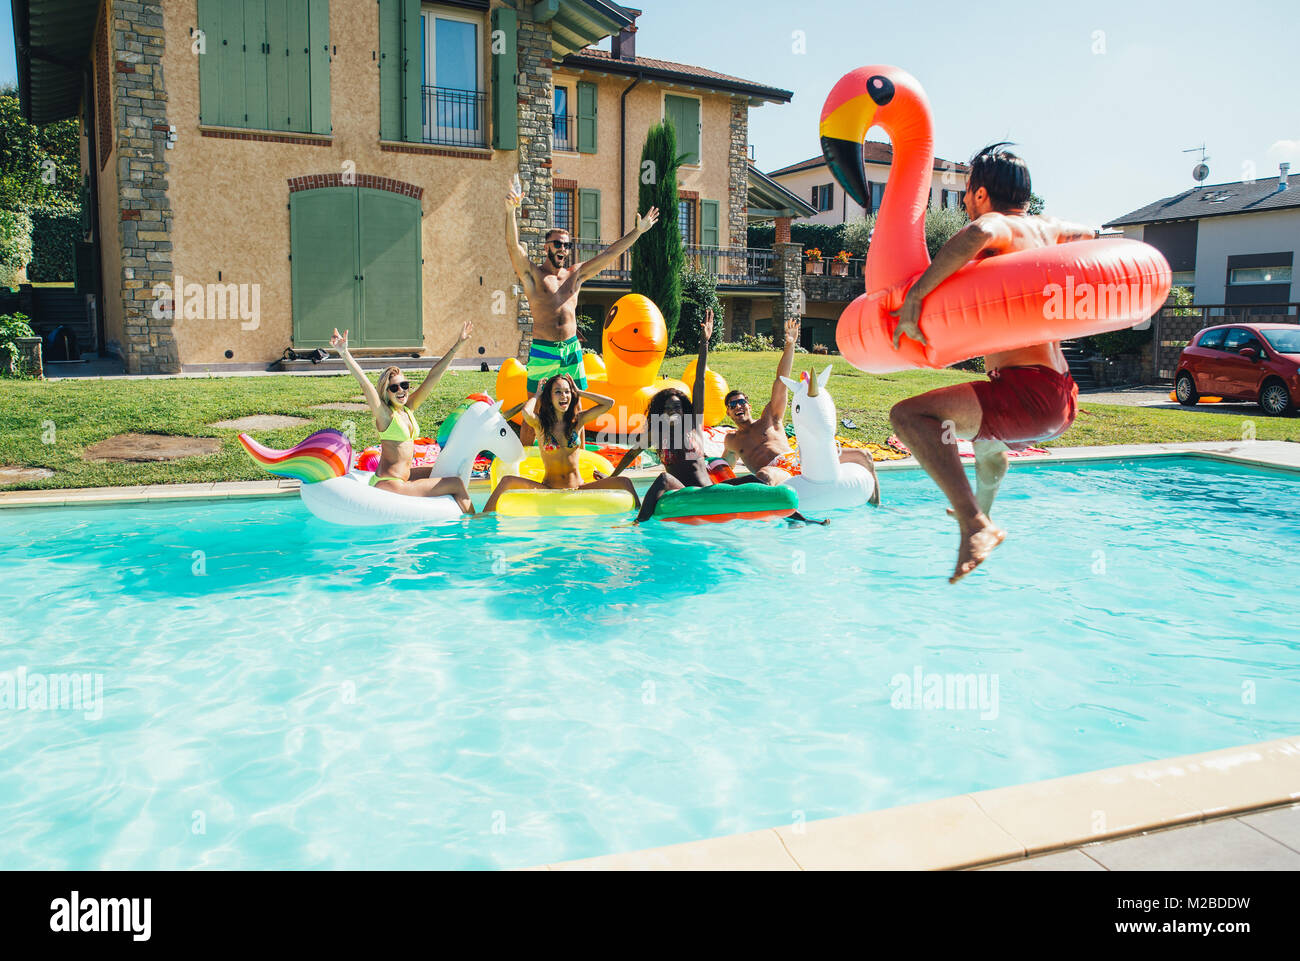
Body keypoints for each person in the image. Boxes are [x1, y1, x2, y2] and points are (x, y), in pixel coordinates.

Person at [887, 143, 1099, 583]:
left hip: (1026, 393)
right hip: (1062, 398)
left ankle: (974, 525)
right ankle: (984, 511)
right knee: (987, 446)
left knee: (908, 416)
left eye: (966, 192)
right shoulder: (1048, 229)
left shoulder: (996, 225)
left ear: (981, 195)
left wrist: (916, 296)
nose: (964, 201)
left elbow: (975, 235)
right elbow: (1092, 233)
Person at [505, 184, 659, 404]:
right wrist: (510, 212)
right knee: (534, 407)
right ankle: (530, 441)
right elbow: (513, 247)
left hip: (571, 349)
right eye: (557, 244)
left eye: (566, 245)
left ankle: (578, 441)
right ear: (545, 248)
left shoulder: (574, 275)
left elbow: (610, 253)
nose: (562, 249)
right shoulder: (534, 276)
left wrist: (638, 231)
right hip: (543, 350)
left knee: (576, 410)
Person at [329, 323, 475, 513]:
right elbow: (366, 385)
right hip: (389, 483)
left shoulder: (408, 409)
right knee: (455, 483)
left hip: (404, 476)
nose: (401, 390)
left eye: (404, 385)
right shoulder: (386, 416)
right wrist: (344, 353)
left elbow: (433, 377)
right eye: (394, 387)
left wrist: (458, 345)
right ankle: (474, 524)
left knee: (446, 471)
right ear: (386, 392)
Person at [721, 318, 878, 496]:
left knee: (864, 456)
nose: (738, 406)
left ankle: (876, 507)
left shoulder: (769, 418)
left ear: (749, 406)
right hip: (778, 472)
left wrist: (790, 344)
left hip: (801, 459)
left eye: (741, 402)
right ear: (728, 412)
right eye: (733, 404)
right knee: (765, 476)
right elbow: (723, 466)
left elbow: (780, 382)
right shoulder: (731, 440)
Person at [482, 373, 641, 513]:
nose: (563, 396)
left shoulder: (577, 421)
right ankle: (482, 519)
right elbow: (526, 412)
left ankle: (639, 519)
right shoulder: (541, 424)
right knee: (506, 481)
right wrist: (537, 394)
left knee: (625, 482)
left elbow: (609, 403)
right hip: (550, 488)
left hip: (578, 486)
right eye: (558, 392)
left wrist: (579, 392)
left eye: (567, 391)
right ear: (549, 397)